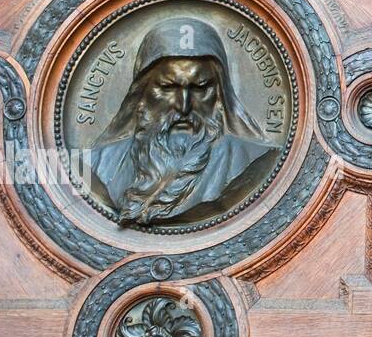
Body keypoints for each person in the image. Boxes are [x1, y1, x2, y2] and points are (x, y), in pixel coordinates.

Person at [89, 18, 279, 226]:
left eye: (200, 88)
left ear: (219, 95)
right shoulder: (98, 162)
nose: (184, 106)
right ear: (142, 94)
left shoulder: (248, 159)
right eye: (168, 88)